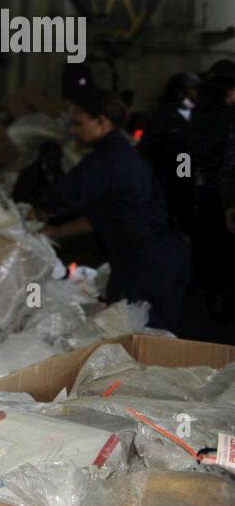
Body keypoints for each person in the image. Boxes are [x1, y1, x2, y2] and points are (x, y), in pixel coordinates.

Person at [37, 87, 189, 332]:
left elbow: (59, 198)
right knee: (140, 334)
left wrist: (37, 214)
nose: (73, 130)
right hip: (158, 257)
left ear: (101, 122)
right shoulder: (122, 152)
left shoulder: (107, 160)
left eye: (78, 124)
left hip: (145, 265)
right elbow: (104, 215)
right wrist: (55, 232)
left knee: (137, 337)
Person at [193, 63, 235, 318]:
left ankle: (210, 299)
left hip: (203, 193)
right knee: (228, 255)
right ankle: (225, 307)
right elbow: (231, 164)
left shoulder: (198, 115)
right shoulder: (231, 116)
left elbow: (185, 158)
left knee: (209, 250)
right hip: (226, 196)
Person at [138, 72, 198, 237]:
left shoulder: (200, 113)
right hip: (170, 179)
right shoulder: (164, 116)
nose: (198, 92)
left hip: (189, 178)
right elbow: (146, 148)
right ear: (180, 92)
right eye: (193, 88)